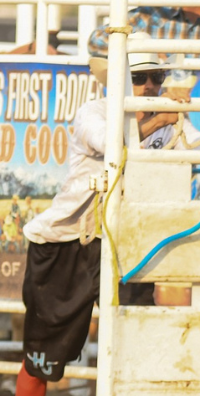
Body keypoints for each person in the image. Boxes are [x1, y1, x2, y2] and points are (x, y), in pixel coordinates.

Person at [18, 40, 183, 396]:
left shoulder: (168, 122)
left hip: (125, 242)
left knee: (135, 342)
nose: (150, 86)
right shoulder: (94, 111)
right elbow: (111, 144)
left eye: (157, 76)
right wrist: (159, 120)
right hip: (68, 243)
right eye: (141, 78)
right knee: (41, 356)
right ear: (119, 80)